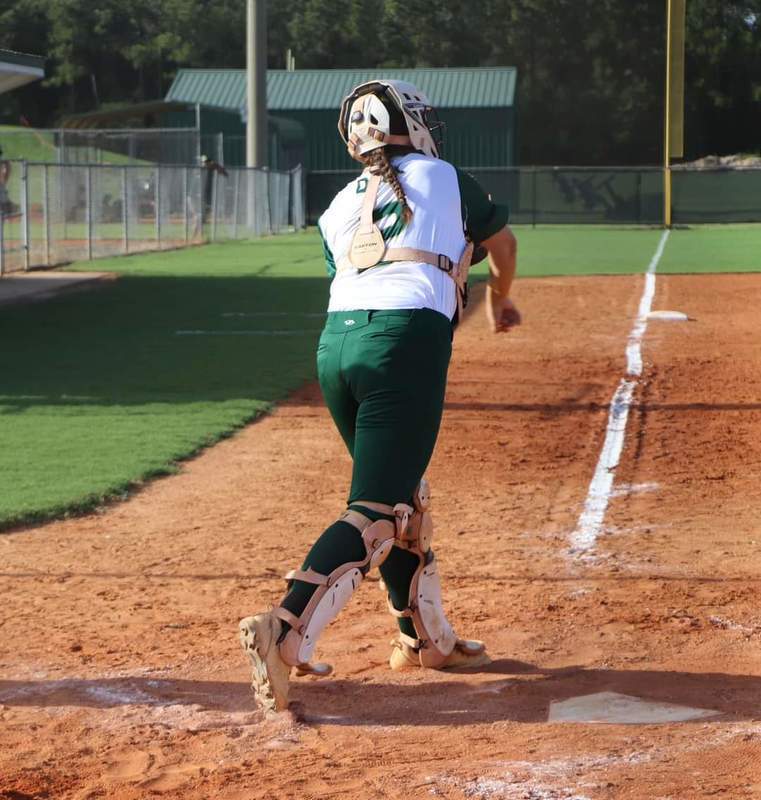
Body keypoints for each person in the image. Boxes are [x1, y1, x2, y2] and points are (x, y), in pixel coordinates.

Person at [239, 79, 521, 714]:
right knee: (377, 506)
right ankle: (284, 632)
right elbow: (501, 244)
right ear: (408, 126)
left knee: (402, 497)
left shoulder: (338, 202)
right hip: (404, 340)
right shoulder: (446, 177)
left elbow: (359, 270)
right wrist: (501, 301)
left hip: (337, 347)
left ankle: (423, 640)